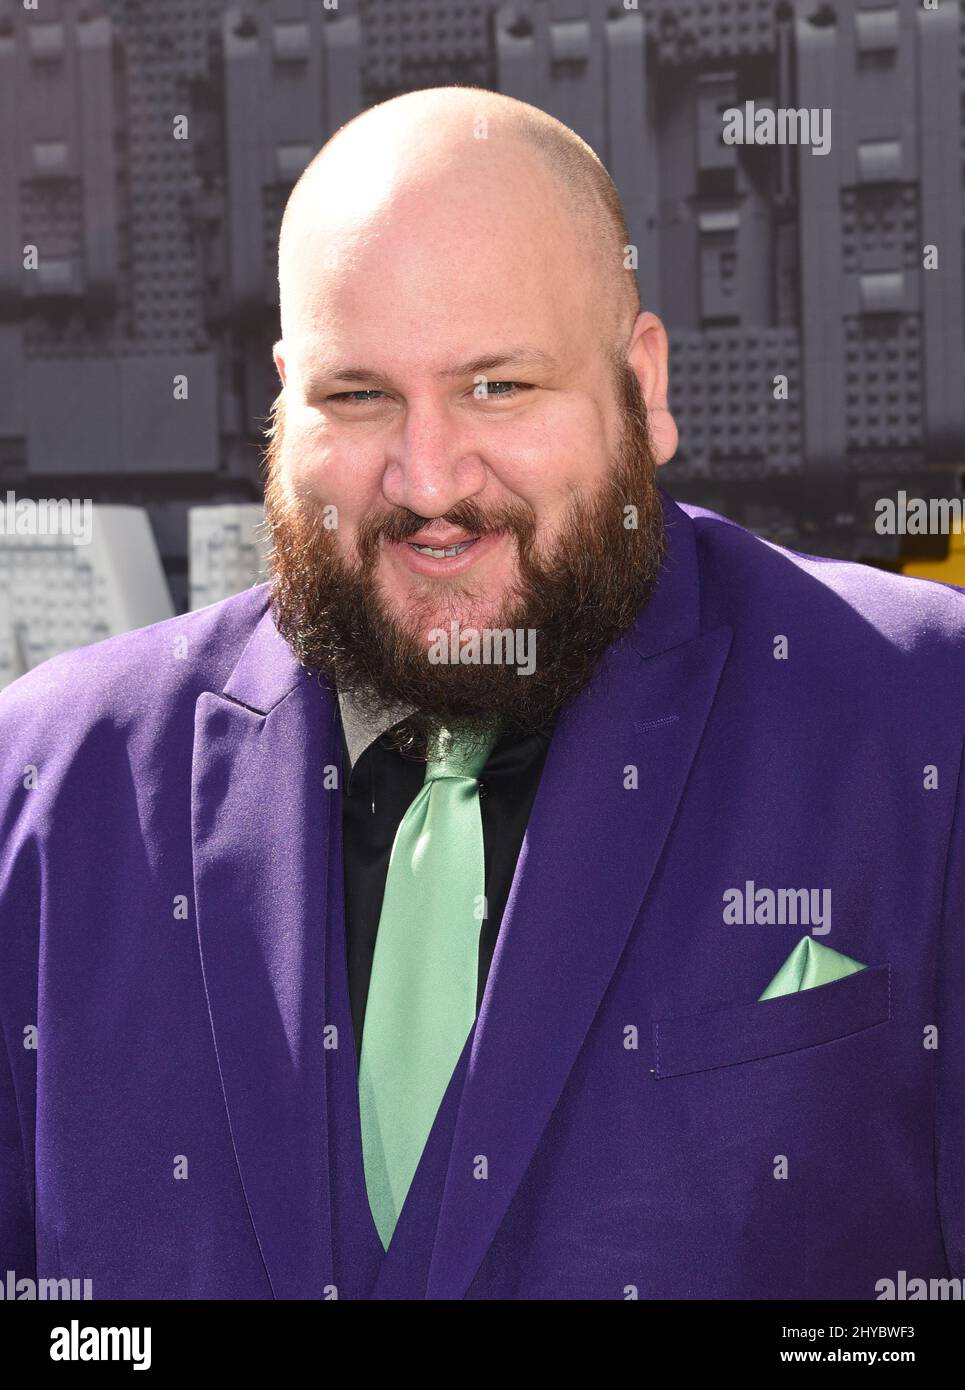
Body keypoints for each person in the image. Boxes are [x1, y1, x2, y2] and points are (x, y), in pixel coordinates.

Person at [1, 86, 962, 1301]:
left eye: (497, 387)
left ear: (643, 387)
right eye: (357, 395)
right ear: (283, 398)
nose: (427, 477)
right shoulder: (46, 785)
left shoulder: (924, 717)